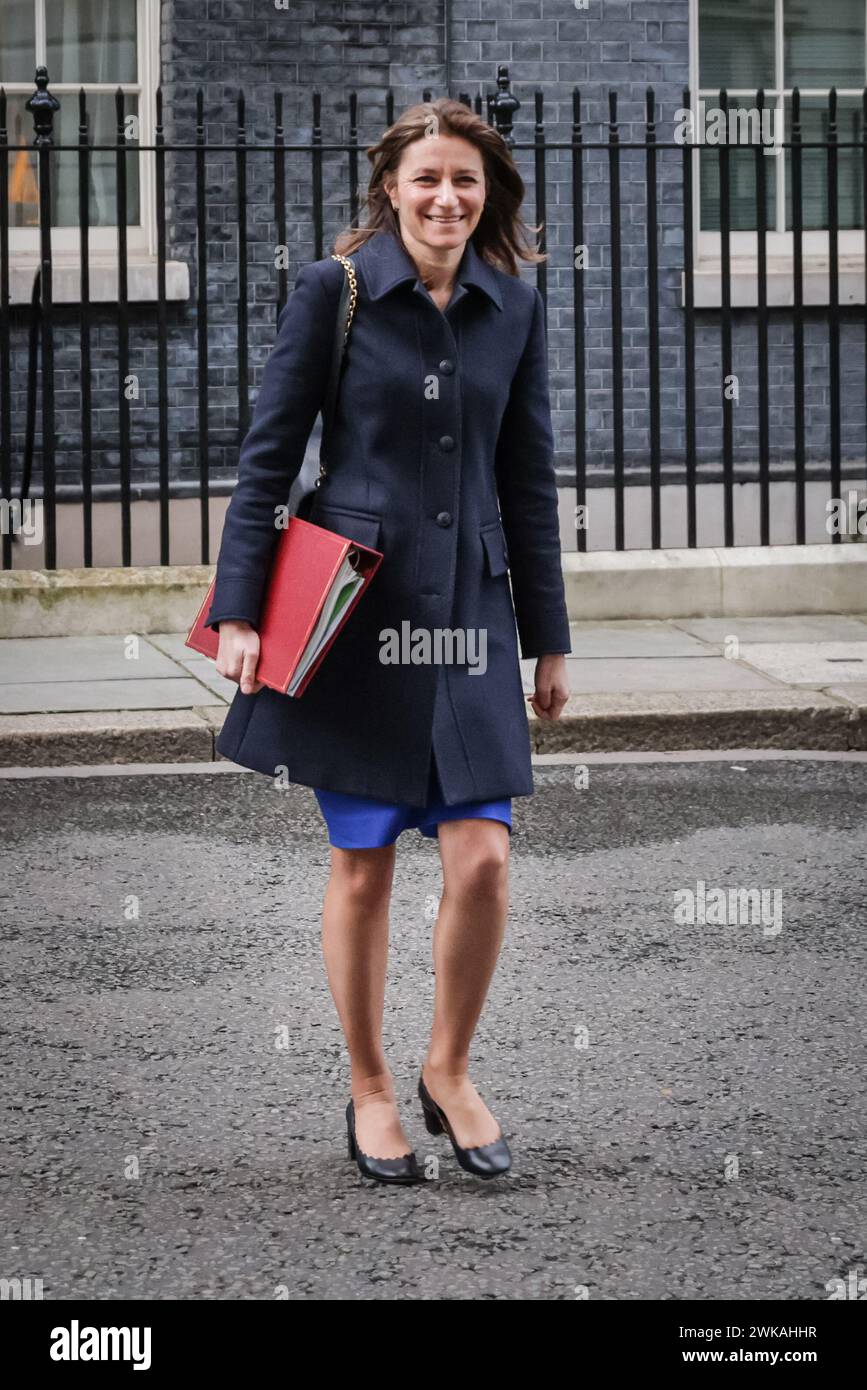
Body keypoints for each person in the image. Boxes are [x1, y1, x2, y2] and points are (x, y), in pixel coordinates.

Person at [205, 97, 571, 1184]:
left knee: (486, 856)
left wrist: (549, 640)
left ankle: (447, 1070)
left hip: (470, 619)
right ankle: (371, 1088)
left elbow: (529, 478)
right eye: (427, 181)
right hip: (355, 616)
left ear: (487, 192)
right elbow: (271, 456)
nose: (448, 197)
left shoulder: (516, 305)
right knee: (361, 864)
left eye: (466, 180)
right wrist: (237, 608)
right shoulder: (339, 291)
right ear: (393, 191)